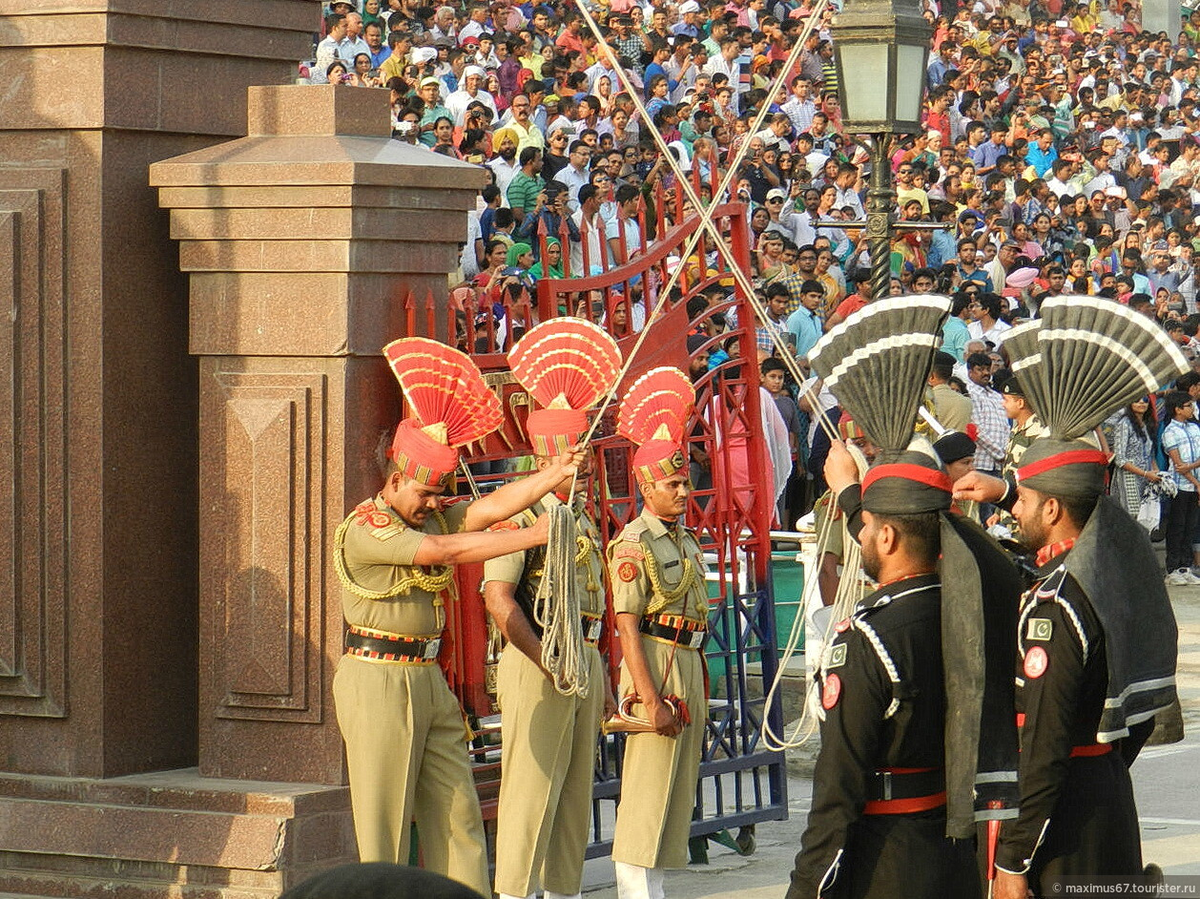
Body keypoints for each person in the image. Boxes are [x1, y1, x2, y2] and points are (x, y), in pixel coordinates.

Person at [333, 339, 585, 895]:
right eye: (424, 493)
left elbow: (486, 506)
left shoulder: (427, 517)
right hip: (377, 677)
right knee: (385, 835)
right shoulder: (368, 528)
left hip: (426, 679)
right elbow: (446, 554)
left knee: (459, 818)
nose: (431, 504)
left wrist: (552, 475)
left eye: (436, 496)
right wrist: (537, 533)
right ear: (395, 478)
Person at [789, 296, 1020, 899]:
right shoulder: (973, 601)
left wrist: (806, 887)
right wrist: (854, 496)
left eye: (867, 526)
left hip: (886, 862)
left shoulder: (868, 637)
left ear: (887, 534)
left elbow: (837, 788)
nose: (860, 532)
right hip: (954, 853)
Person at [952, 296, 1184, 897]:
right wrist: (1009, 491)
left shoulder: (1057, 607)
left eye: (1025, 499)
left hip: (1066, 820)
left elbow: (1047, 743)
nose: (1015, 507)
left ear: (1053, 507)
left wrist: (1014, 861)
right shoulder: (1112, 565)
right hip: (1108, 794)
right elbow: (1089, 519)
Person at [483, 320, 622, 899]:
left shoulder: (582, 519)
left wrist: (599, 674)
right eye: (577, 450)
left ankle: (562, 891)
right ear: (550, 454)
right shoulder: (520, 519)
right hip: (537, 658)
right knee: (531, 787)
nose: (587, 462)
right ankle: (514, 892)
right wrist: (546, 661)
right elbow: (498, 599)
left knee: (572, 789)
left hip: (581, 660)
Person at [608, 367, 707, 899]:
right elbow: (626, 625)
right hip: (656, 659)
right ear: (647, 486)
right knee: (647, 793)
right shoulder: (633, 542)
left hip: (687, 660)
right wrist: (649, 699)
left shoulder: (682, 538)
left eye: (684, 480)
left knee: (675, 794)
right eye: (673, 483)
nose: (683, 490)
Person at [1109, 397, 1161, 521]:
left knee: (1146, 516)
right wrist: (1145, 473)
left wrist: (1157, 472)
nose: (1142, 402)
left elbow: (1150, 453)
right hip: (1129, 477)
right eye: (1137, 400)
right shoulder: (1124, 424)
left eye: (1145, 400)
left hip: (1147, 475)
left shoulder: (1148, 423)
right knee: (1131, 517)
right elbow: (1120, 459)